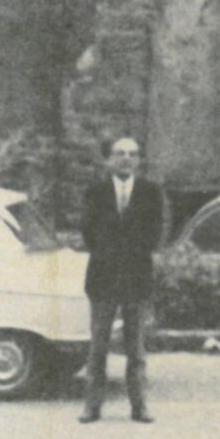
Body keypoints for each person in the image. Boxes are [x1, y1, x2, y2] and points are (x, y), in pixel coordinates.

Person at [80, 135, 164, 423]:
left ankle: (139, 406)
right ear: (109, 160)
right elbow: (89, 234)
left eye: (132, 153)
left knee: (136, 349)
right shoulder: (95, 193)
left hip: (137, 281)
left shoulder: (151, 193)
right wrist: (113, 252)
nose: (126, 158)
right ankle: (92, 406)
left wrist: (125, 250)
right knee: (98, 347)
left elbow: (154, 235)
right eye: (119, 153)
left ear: (138, 160)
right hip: (103, 280)